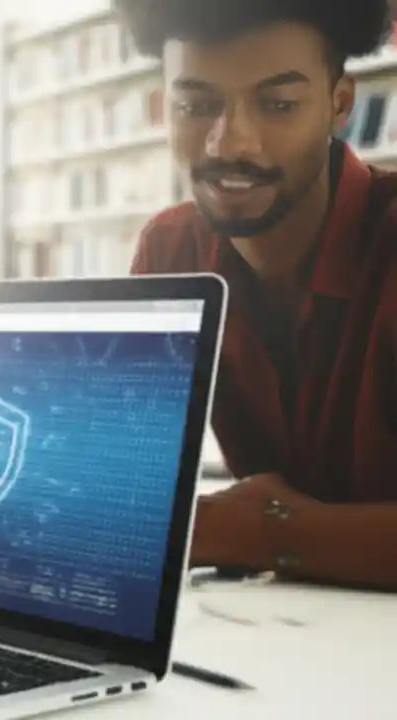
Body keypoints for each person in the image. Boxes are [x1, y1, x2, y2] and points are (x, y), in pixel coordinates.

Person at [118, 0, 397, 590]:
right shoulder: (170, 252)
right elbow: (135, 492)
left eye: (278, 105)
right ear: (160, 110)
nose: (230, 143)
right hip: (264, 636)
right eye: (196, 105)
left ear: (339, 104)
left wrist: (259, 533)